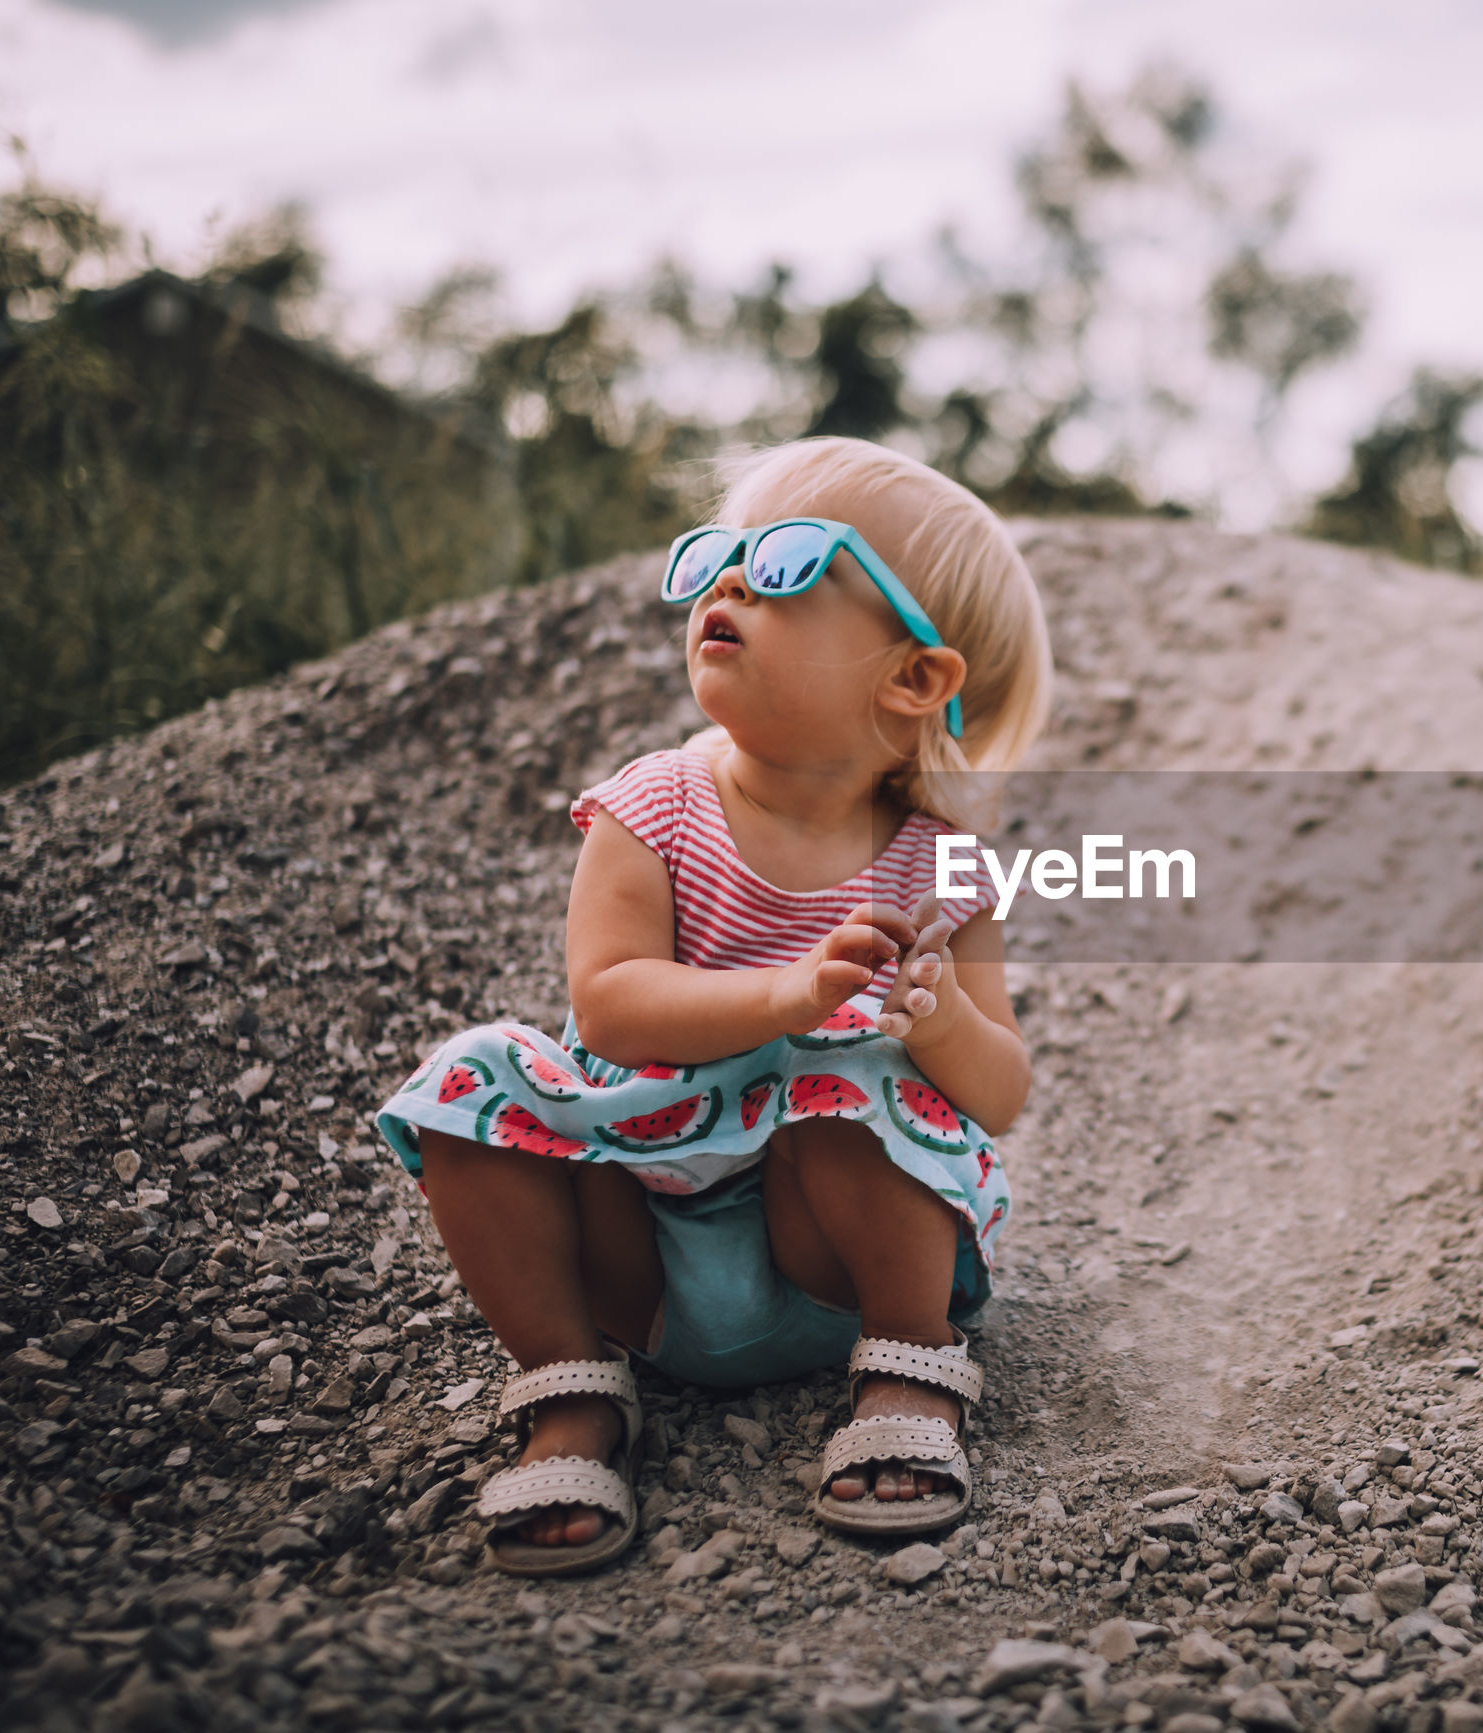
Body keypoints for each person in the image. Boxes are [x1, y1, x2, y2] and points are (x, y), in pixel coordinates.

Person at [375, 437, 1052, 1574]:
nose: (729, 584)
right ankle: (571, 1385)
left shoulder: (942, 865)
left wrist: (933, 1020)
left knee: (859, 1073)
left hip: (829, 1258)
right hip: (646, 1238)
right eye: (717, 558)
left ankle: (906, 1360)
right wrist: (785, 990)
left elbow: (1002, 1092)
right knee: (478, 1072)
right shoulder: (654, 805)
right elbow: (609, 1008)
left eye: (786, 564)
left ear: (912, 678)